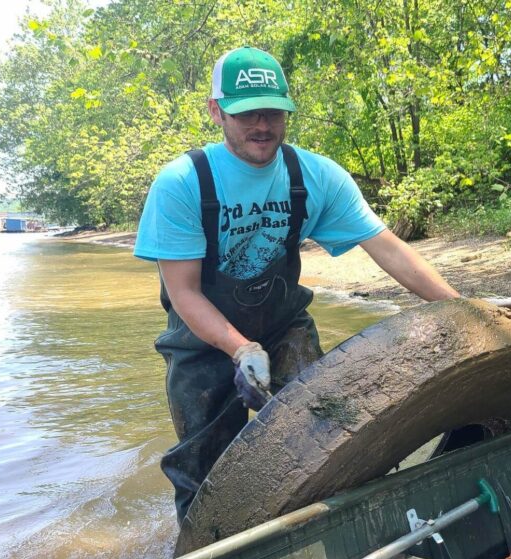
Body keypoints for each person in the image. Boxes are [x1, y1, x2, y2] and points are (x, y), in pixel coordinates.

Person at [134, 46, 460, 522]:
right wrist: (241, 349)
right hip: (200, 341)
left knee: (327, 430)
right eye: (247, 113)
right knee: (204, 471)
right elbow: (185, 293)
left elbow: (388, 248)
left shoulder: (315, 176)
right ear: (216, 111)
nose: (261, 125)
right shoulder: (182, 183)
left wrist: (465, 307)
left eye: (273, 112)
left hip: (283, 325)